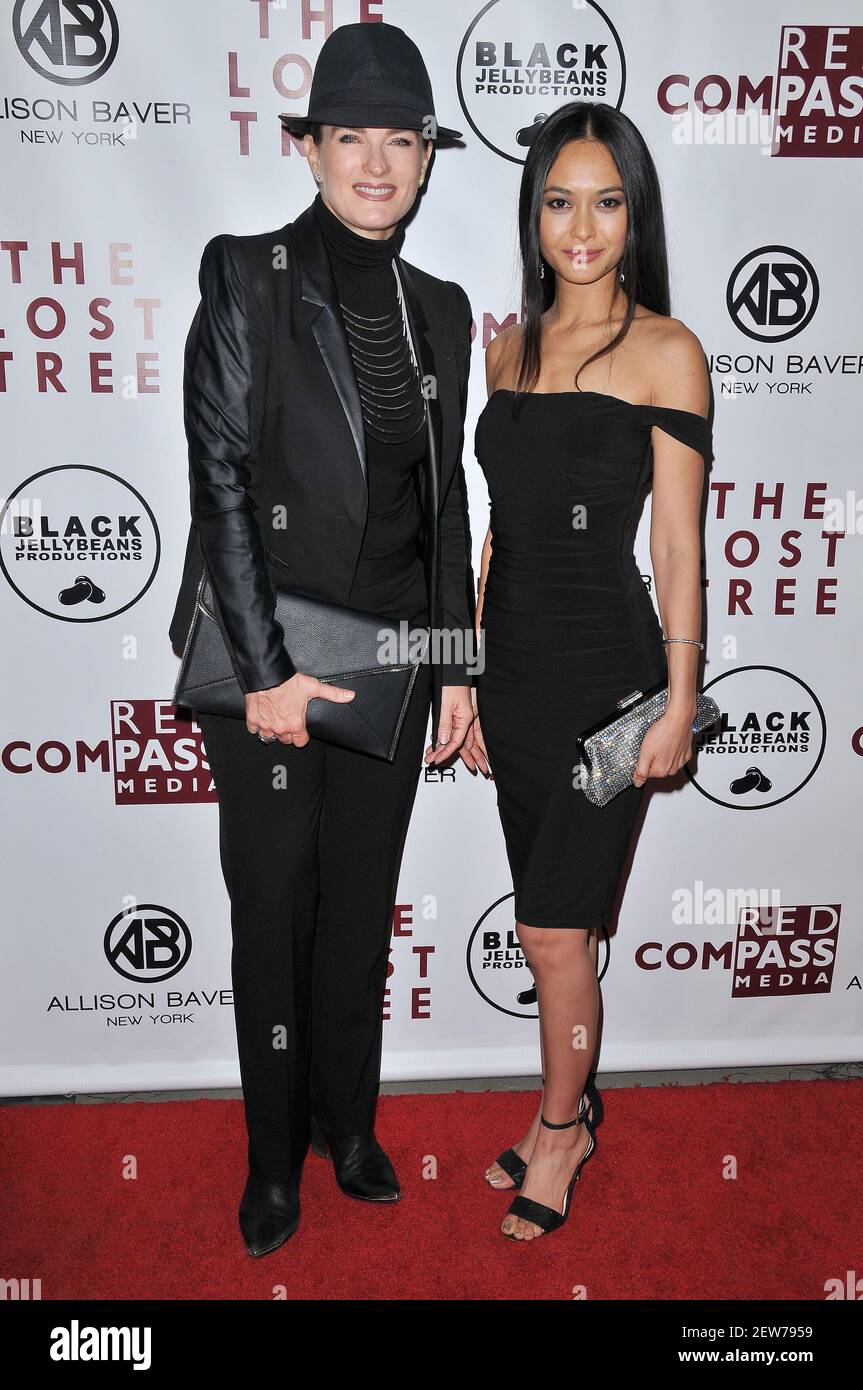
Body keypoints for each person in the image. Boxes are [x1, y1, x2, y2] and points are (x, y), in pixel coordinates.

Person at [168, 22, 477, 1257]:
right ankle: (272, 1157)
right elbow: (221, 485)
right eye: (350, 136)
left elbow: (443, 503)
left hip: (393, 663)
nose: (375, 162)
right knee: (272, 913)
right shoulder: (246, 275)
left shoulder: (441, 312)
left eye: (400, 140)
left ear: (424, 160)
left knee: (357, 914)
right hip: (270, 659)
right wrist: (264, 675)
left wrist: (452, 660)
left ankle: (346, 1129)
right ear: (309, 152)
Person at [468, 101, 713, 1241]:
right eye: (558, 200)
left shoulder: (666, 350)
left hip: (606, 684)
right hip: (510, 676)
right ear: (533, 214)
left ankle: (561, 1131)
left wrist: (676, 696)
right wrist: (465, 677)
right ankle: (566, 1100)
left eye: (605, 201)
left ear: (634, 212)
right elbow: (492, 532)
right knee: (541, 924)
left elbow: (674, 543)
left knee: (556, 933)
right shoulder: (503, 349)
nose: (581, 226)